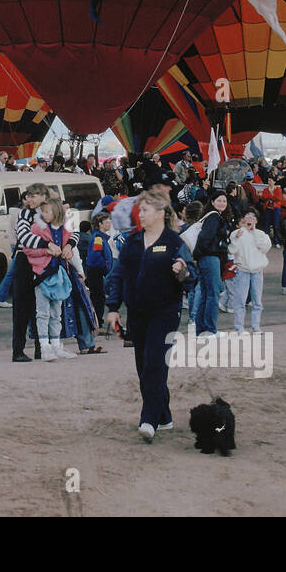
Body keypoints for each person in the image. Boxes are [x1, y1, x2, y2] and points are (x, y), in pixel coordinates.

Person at [104, 189, 195, 442]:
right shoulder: (132, 242)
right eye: (139, 210)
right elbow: (117, 275)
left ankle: (149, 420)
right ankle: (164, 415)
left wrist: (182, 270)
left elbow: (192, 280)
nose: (140, 215)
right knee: (144, 367)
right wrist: (113, 308)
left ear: (161, 213)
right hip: (137, 313)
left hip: (165, 312)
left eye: (144, 210)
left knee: (156, 363)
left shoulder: (175, 242)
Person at [21, 196, 78, 361]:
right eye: (43, 211)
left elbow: (73, 237)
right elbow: (28, 250)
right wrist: (46, 251)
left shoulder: (65, 228)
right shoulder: (37, 228)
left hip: (59, 273)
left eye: (48, 211)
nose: (44, 214)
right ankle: (45, 347)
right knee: (43, 312)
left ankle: (56, 344)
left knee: (56, 312)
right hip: (42, 274)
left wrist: (68, 249)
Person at [9, 184, 51, 360]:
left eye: (34, 196)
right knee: (21, 308)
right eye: (29, 196)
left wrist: (68, 245)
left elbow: (70, 232)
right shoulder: (25, 213)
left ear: (44, 196)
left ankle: (41, 347)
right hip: (25, 261)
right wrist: (48, 244)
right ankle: (18, 350)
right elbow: (23, 236)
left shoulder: (51, 212)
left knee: (41, 307)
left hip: (44, 261)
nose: (30, 199)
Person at [190, 190, 232, 337]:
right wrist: (199, 254)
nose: (222, 203)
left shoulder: (211, 216)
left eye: (224, 201)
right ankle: (209, 329)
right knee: (212, 294)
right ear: (212, 202)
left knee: (206, 294)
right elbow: (205, 237)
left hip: (205, 258)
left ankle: (202, 330)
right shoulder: (214, 217)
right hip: (210, 257)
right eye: (219, 200)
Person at [227, 209, 270, 333]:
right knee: (240, 299)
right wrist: (236, 237)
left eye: (252, 217)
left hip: (257, 270)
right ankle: (239, 327)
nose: (250, 219)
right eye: (247, 217)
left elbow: (264, 247)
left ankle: (256, 326)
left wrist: (254, 232)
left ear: (256, 220)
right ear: (244, 219)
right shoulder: (237, 233)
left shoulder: (261, 234)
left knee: (257, 300)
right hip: (242, 270)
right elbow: (232, 250)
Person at [83, 211, 114, 322]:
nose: (109, 223)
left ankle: (97, 321)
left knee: (98, 297)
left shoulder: (100, 237)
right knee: (98, 298)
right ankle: (98, 322)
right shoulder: (98, 238)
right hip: (96, 272)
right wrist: (105, 268)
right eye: (107, 221)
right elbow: (96, 255)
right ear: (100, 224)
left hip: (96, 271)